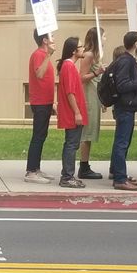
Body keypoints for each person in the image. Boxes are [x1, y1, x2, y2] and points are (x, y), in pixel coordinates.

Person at [108, 32, 137, 191]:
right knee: (122, 143)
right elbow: (123, 85)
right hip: (124, 107)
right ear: (136, 44)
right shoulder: (126, 61)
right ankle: (120, 179)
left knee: (123, 142)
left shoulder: (129, 60)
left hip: (127, 107)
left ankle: (118, 171)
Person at [55, 36, 87, 188]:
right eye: (81, 46)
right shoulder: (68, 67)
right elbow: (70, 92)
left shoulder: (70, 66)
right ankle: (67, 177)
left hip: (73, 111)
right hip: (72, 112)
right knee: (71, 144)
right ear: (74, 51)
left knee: (72, 144)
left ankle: (68, 175)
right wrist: (77, 112)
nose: (83, 48)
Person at [24, 30, 56, 183]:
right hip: (40, 102)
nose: (54, 38)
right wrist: (49, 55)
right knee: (38, 136)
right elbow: (39, 74)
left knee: (42, 135)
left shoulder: (43, 56)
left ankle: (36, 168)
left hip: (47, 101)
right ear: (45, 40)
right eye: (51, 36)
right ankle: (31, 171)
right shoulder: (38, 55)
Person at [76, 27, 105, 180]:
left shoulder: (96, 56)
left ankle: (86, 164)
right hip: (88, 97)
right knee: (86, 134)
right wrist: (96, 72)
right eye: (104, 36)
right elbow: (81, 77)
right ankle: (83, 166)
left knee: (91, 133)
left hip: (95, 95)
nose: (105, 39)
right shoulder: (88, 55)